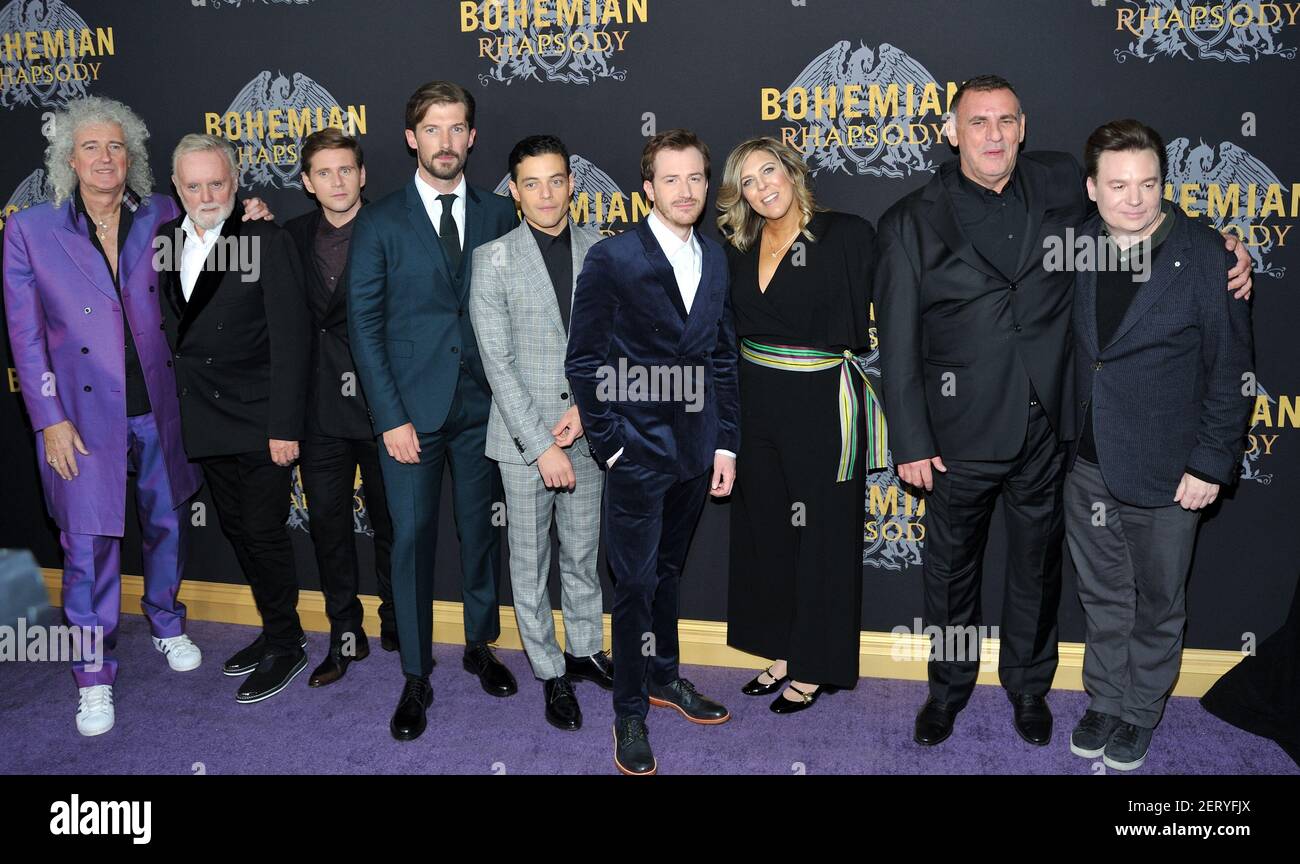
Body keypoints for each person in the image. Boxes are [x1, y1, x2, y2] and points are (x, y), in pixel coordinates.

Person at [875, 74, 1253, 748]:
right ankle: (948, 689)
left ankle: (1028, 688)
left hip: (1051, 431)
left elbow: (1144, 214)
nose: (993, 134)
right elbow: (897, 342)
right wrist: (908, 437)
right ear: (950, 132)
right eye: (978, 121)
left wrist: (1226, 248)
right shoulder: (910, 219)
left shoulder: (1057, 186)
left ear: (1023, 128)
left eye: (1005, 121)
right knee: (950, 577)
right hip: (956, 436)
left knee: (1037, 572)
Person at [2, 97, 265, 735]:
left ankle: (166, 623)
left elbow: (215, 224)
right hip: (79, 421)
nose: (105, 158)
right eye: (91, 147)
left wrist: (249, 216)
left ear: (133, 158)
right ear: (69, 158)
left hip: (159, 408)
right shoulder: (30, 230)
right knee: (87, 546)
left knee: (167, 522)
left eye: (117, 147)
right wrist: (49, 419)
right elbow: (25, 336)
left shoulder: (161, 214)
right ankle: (92, 677)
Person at [1064, 119, 1253, 771]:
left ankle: (1141, 712)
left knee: (1159, 602)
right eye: (1118, 185)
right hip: (1086, 465)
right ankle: (1105, 699)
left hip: (1172, 472)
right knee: (1104, 597)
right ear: (1092, 188)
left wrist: (1210, 463)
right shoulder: (1074, 246)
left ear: (1164, 183)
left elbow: (1232, 370)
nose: (1135, 199)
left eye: (1148, 183)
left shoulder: (1207, 255)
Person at [347, 80, 518, 742]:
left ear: (472, 137)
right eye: (433, 130)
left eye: (458, 129)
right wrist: (388, 416)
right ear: (411, 138)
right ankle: (416, 673)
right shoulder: (381, 220)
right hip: (409, 415)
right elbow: (364, 324)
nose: (446, 142)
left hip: (485, 409)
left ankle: (480, 644)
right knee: (413, 543)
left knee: (481, 534)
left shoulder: (500, 214)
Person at [566, 129, 739, 776]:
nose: (686, 190)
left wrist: (726, 443)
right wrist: (610, 448)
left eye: (696, 177)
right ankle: (629, 710)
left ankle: (666, 678)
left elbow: (722, 358)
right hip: (634, 455)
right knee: (633, 585)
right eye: (671, 179)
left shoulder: (717, 260)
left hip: (696, 452)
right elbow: (584, 361)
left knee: (667, 575)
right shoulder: (614, 258)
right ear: (648, 188)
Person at [716, 136, 882, 713]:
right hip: (754, 397)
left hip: (820, 400)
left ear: (791, 170)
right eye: (749, 182)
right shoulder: (739, 243)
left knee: (824, 537)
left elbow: (887, 313)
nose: (763, 188)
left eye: (769, 172)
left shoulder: (848, 234)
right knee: (769, 531)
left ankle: (817, 663)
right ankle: (783, 650)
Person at [158, 133, 311, 704]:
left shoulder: (262, 238)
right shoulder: (165, 241)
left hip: (260, 418)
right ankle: (274, 631)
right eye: (193, 185)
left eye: (217, 183)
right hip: (204, 416)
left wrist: (285, 426)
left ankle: (289, 642)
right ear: (176, 188)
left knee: (265, 531)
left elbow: (293, 341)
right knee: (239, 529)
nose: (206, 194)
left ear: (236, 181)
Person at [469, 134, 612, 732]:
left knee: (582, 556)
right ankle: (551, 672)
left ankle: (583, 650)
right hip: (524, 445)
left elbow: (615, 341)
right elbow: (496, 364)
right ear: (516, 192)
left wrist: (583, 410)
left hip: (588, 432)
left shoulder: (602, 250)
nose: (546, 193)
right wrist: (543, 445)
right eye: (532, 183)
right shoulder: (492, 258)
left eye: (556, 180)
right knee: (528, 566)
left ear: (571, 184)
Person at [284, 128, 396, 687]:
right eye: (323, 173)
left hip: (382, 410)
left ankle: (398, 622)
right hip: (319, 409)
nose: (337, 181)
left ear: (363, 174)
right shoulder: (288, 236)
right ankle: (344, 636)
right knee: (328, 527)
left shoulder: (394, 228)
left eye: (346, 170)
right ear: (306, 183)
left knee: (392, 524)